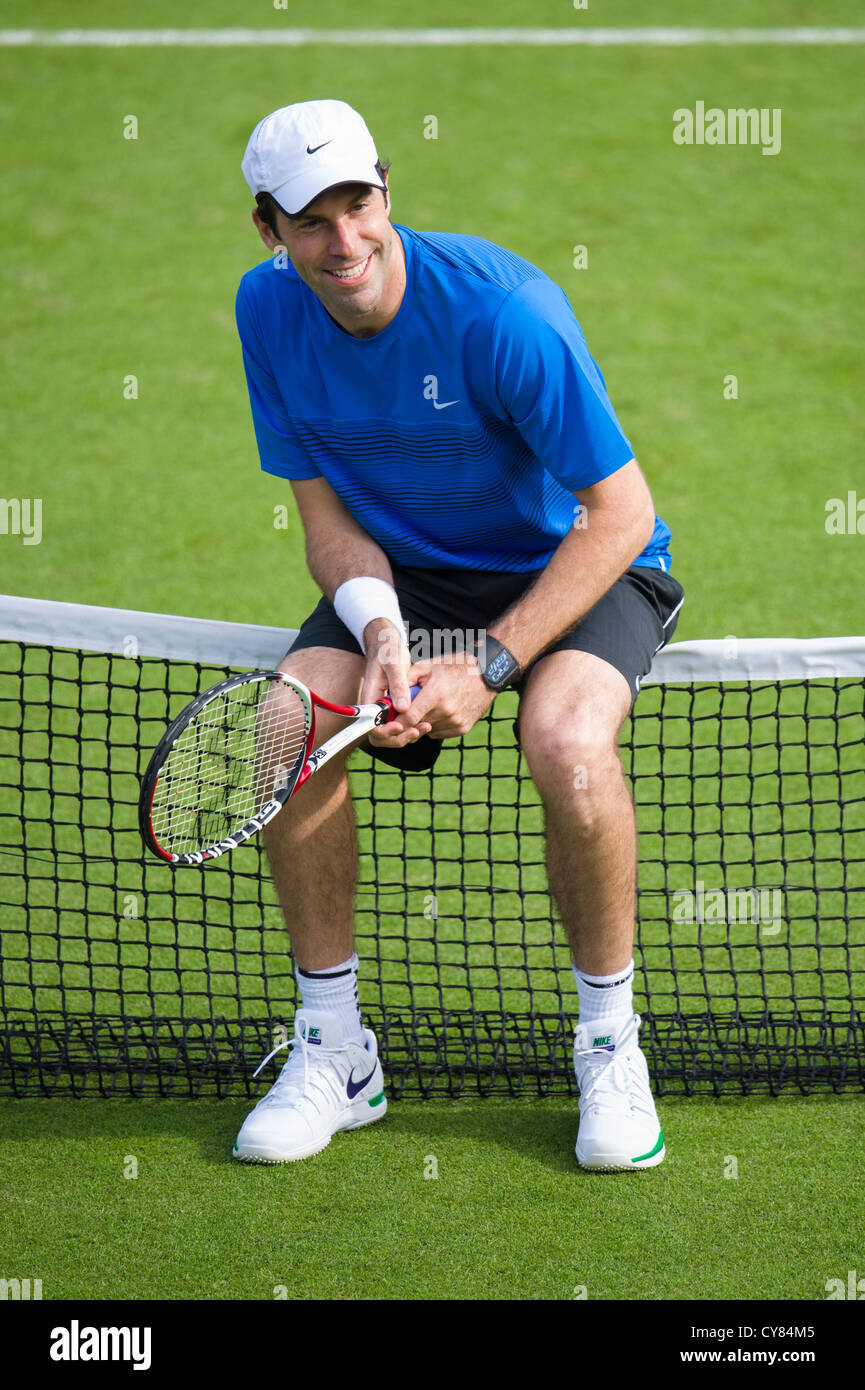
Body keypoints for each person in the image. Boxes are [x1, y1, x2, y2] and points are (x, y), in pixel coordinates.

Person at [231, 99, 684, 1170]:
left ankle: (609, 1044)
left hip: (569, 557)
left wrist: (489, 666)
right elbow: (327, 529)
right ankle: (336, 1049)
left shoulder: (500, 314)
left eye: (359, 203)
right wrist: (382, 630)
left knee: (567, 744)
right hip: (411, 571)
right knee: (285, 723)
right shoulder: (266, 312)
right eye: (311, 221)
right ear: (268, 233)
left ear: (387, 190)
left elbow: (616, 514)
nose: (345, 241)